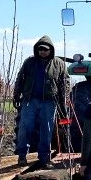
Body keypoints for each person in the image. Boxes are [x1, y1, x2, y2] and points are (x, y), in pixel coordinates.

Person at [13, 36, 69, 170]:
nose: (43, 51)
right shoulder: (29, 62)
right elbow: (20, 78)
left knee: (47, 130)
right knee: (25, 128)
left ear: (51, 50)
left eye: (45, 49)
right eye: (40, 49)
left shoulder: (59, 64)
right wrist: (16, 94)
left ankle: (44, 158)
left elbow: (65, 82)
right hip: (30, 100)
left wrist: (64, 100)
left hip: (49, 102)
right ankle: (22, 155)